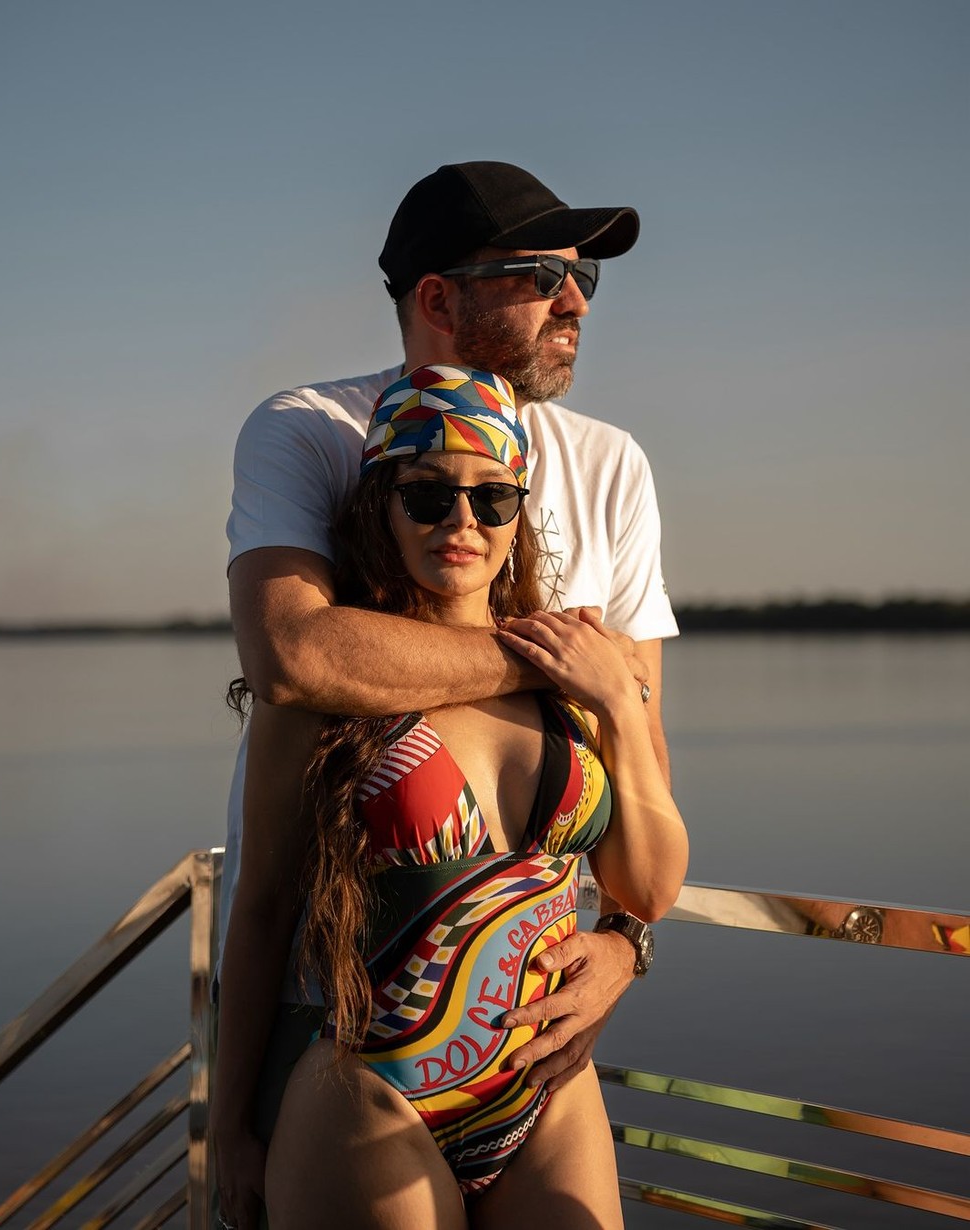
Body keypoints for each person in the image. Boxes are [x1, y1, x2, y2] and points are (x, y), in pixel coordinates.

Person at [212, 161, 680, 1226]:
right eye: (540, 275)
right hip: (351, 1052)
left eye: (585, 280)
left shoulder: (612, 466)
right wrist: (562, 659)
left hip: (540, 1076)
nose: (575, 302)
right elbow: (296, 654)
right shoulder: (313, 429)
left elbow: (644, 773)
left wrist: (626, 944)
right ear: (439, 297)